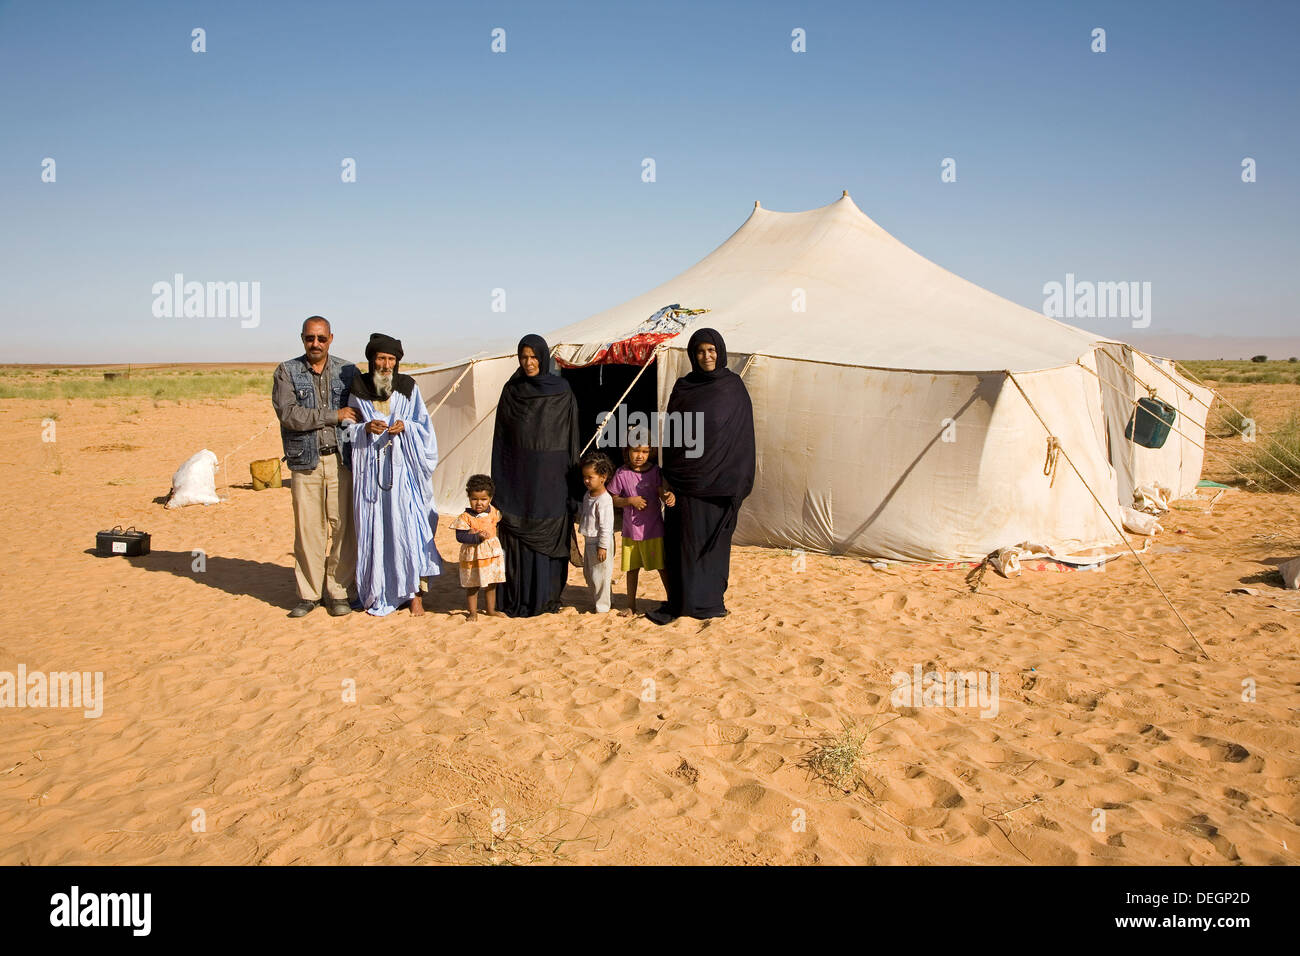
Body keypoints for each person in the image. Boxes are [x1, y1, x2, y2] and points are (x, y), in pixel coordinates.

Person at [648, 328, 756, 625]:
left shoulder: (732, 387)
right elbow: (672, 433)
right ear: (692, 355)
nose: (706, 356)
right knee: (682, 545)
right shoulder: (684, 387)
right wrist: (668, 476)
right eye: (699, 351)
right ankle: (682, 601)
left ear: (720, 352)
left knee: (712, 548)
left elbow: (742, 436)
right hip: (684, 484)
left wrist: (737, 478)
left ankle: (709, 602)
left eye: (711, 350)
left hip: (719, 486)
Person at [344, 333, 443, 616]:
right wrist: (364, 430)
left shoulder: (408, 387)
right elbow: (345, 430)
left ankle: (414, 594)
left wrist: (406, 427)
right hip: (370, 478)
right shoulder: (359, 387)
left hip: (403, 475)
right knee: (374, 531)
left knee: (409, 529)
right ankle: (378, 590)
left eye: (391, 359)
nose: (386, 365)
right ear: (372, 360)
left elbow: (424, 427)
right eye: (381, 358)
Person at [272, 316, 359, 618]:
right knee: (308, 529)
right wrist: (333, 415)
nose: (316, 344)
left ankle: (338, 591)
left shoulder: (348, 370)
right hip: (304, 461)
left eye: (321, 338)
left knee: (343, 527)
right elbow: (289, 414)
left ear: (331, 338)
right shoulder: (287, 371)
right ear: (302, 339)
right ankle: (308, 593)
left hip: (341, 460)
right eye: (310, 338)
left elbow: (359, 410)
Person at [491, 334, 581, 617]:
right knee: (517, 527)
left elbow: (571, 438)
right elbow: (502, 441)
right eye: (524, 357)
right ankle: (518, 595)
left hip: (553, 476)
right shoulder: (512, 390)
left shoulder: (562, 390)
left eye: (533, 357)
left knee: (551, 529)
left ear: (543, 358)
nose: (529, 363)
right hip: (518, 474)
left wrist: (572, 479)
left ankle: (547, 596)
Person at [608, 444, 675, 616]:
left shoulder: (655, 472)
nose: (640, 455)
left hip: (653, 529)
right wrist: (629, 500)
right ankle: (631, 606)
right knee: (632, 569)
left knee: (662, 567)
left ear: (651, 452)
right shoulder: (622, 474)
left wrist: (669, 496)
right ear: (627, 451)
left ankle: (673, 602)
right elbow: (613, 498)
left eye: (645, 452)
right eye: (636, 451)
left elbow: (662, 492)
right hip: (631, 531)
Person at [451, 474, 506, 620]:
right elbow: (460, 536)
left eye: (483, 499)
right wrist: (476, 537)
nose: (479, 503)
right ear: (469, 498)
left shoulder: (494, 512)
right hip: (473, 556)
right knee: (473, 585)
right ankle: (473, 612)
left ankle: (490, 610)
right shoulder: (465, 517)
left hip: (491, 554)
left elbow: (496, 526)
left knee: (492, 583)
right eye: (474, 499)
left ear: (490, 499)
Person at [578, 452, 615, 613]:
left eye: (590, 477)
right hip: (589, 540)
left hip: (600, 542)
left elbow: (606, 526)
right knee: (590, 574)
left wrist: (603, 546)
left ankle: (603, 607)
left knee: (600, 576)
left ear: (603, 477)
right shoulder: (588, 495)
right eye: (584, 477)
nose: (586, 480)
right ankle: (606, 600)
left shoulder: (605, 500)